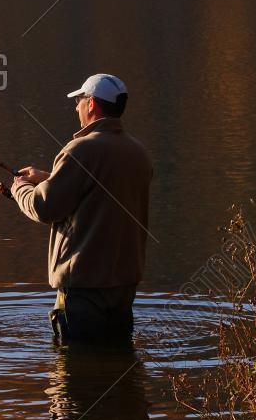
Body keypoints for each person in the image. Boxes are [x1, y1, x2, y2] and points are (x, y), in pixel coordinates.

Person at [8, 74, 153, 344]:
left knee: (73, 363)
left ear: (92, 104)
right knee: (117, 358)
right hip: (124, 284)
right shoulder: (137, 152)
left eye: (79, 101)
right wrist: (50, 178)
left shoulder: (80, 150)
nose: (76, 107)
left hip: (84, 285)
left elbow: (44, 207)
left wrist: (20, 188)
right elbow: (102, 192)